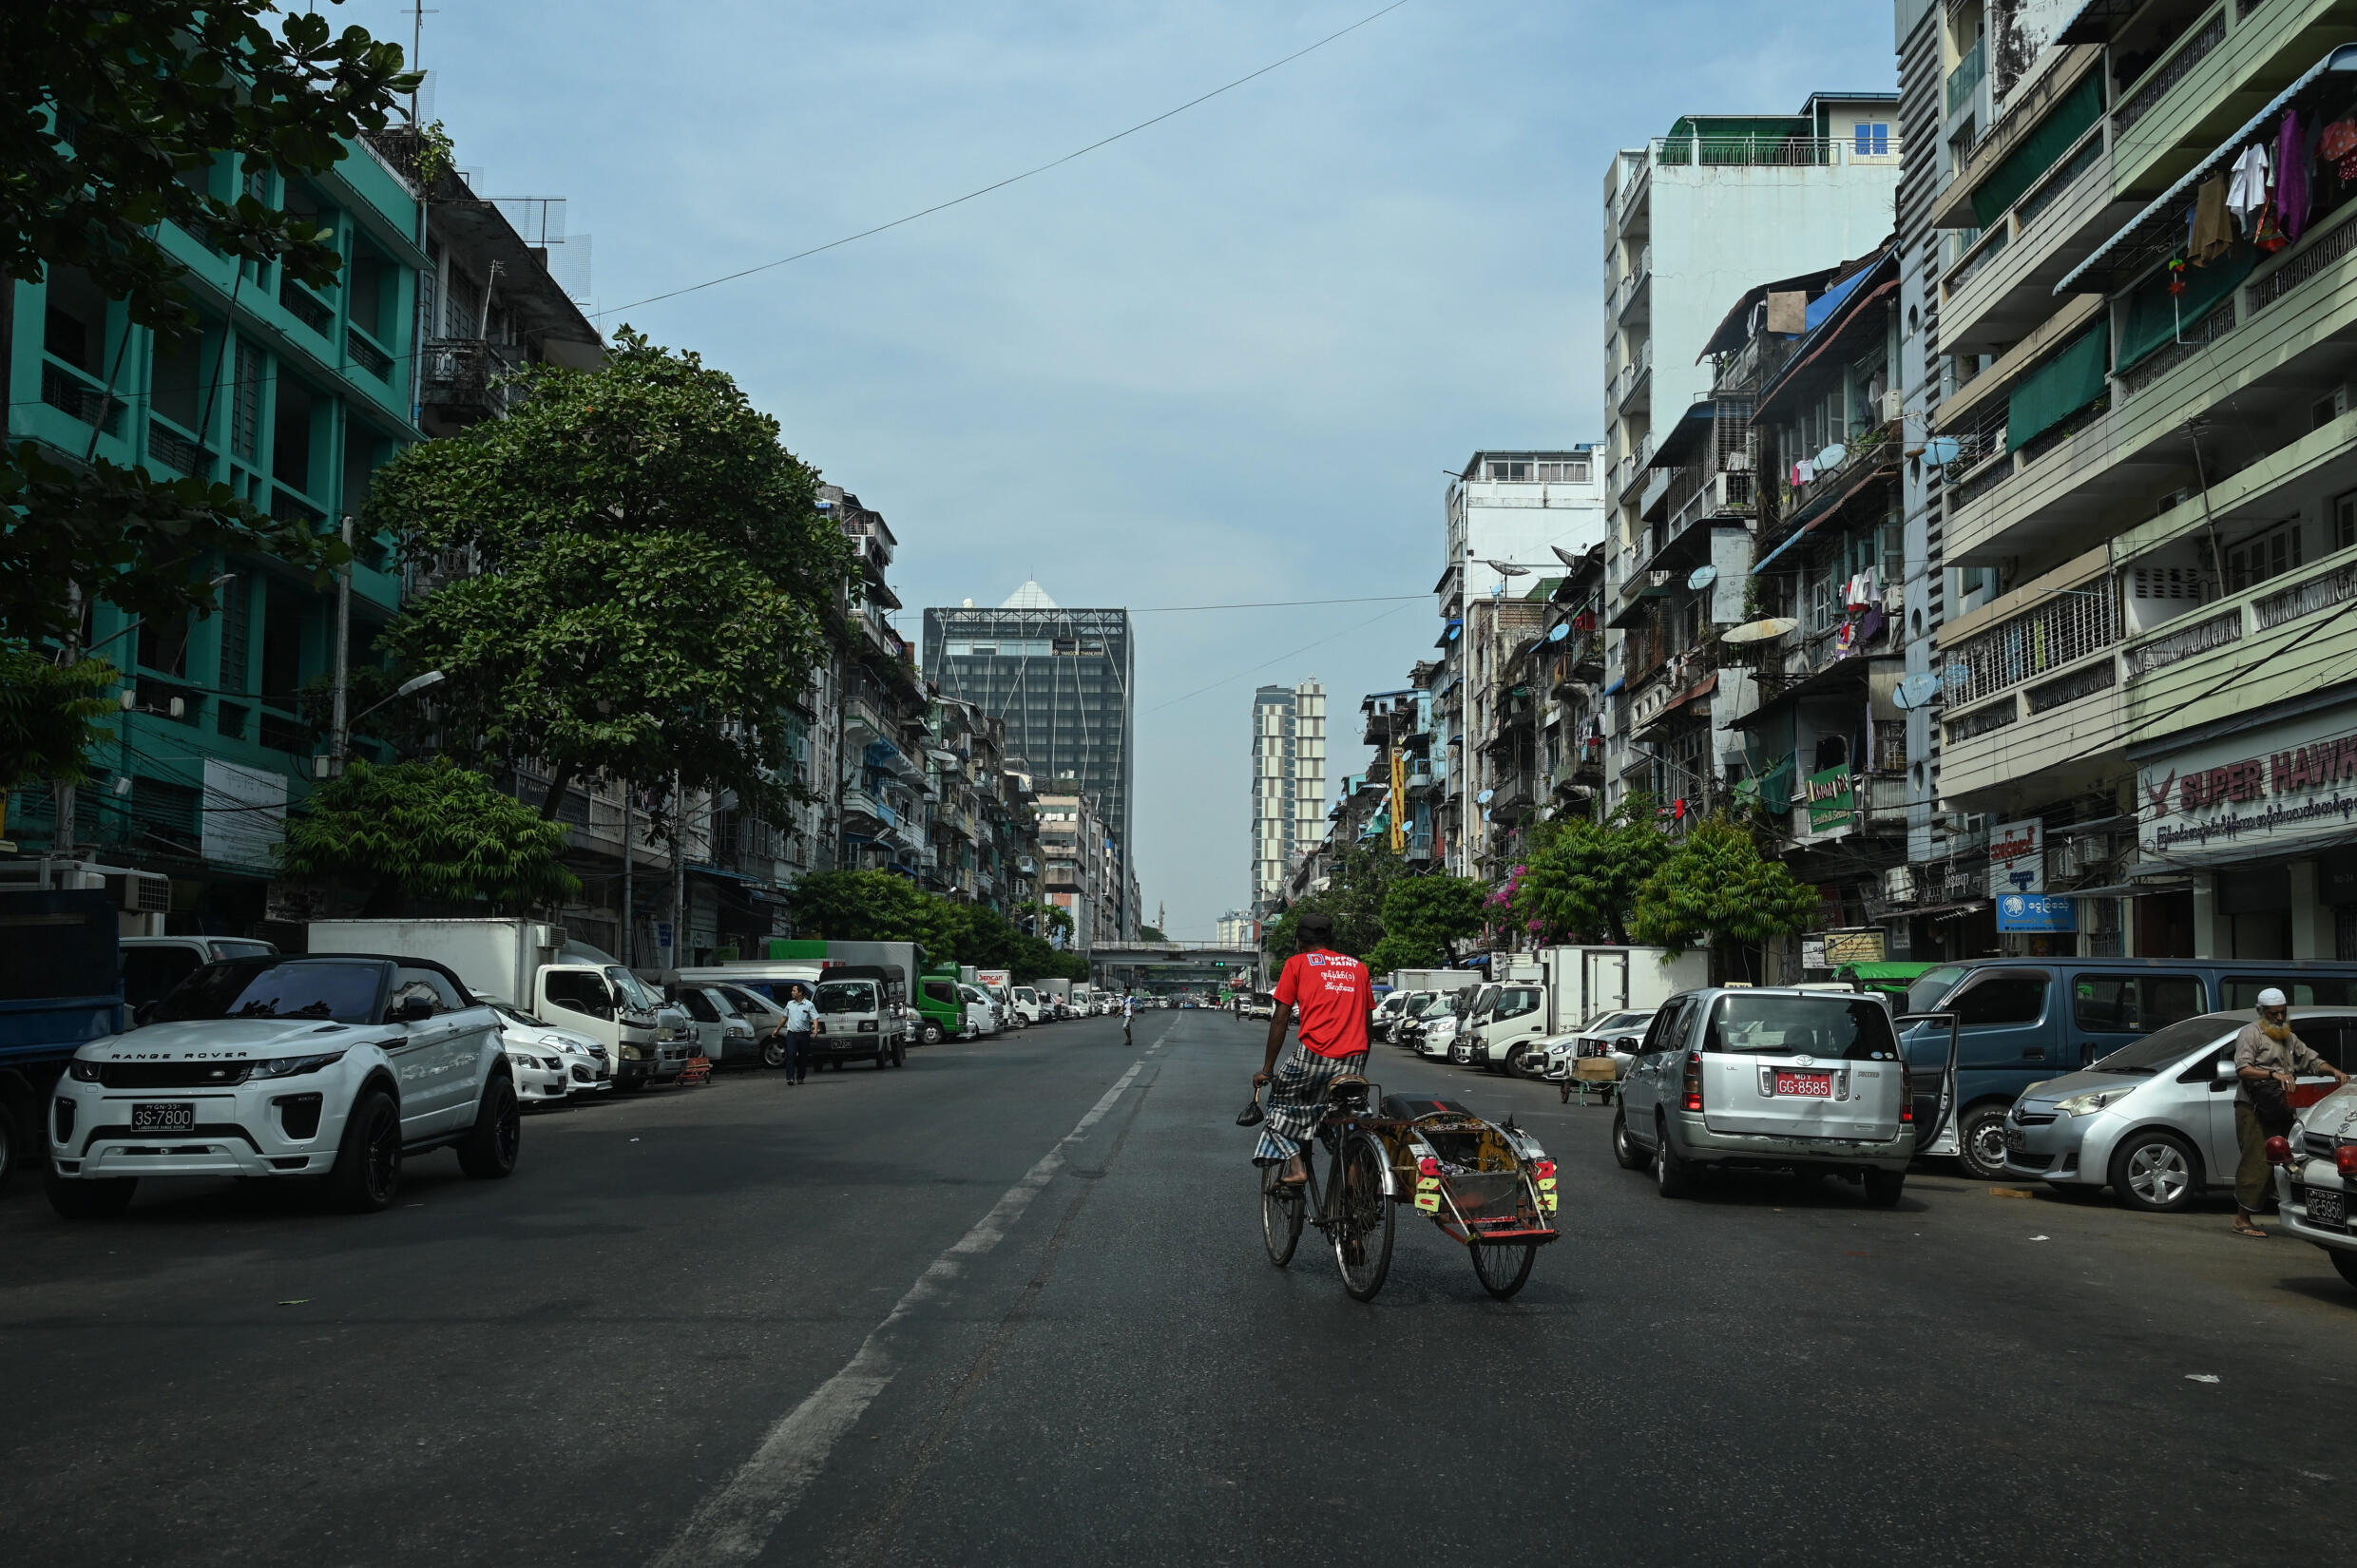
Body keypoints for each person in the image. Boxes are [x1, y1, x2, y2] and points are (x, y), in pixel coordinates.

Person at [1250, 913, 1374, 1184]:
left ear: (1299, 942)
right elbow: (1368, 1023)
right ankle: (1355, 1182)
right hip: (1353, 1059)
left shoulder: (1297, 964)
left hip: (1313, 1056)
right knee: (1346, 1118)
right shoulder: (1358, 967)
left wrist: (1268, 1070)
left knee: (1280, 1107)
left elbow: (1281, 1018)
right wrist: (1358, 1064)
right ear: (1330, 939)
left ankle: (1297, 1168)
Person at [2232, 987, 2348, 1236]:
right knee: (2258, 1159)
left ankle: (2297, 1212)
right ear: (2261, 1012)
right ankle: (2243, 1219)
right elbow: (2243, 1069)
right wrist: (2273, 1074)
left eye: (2283, 1013)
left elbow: (2312, 1060)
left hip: (2282, 1105)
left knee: (2288, 1158)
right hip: (2253, 1106)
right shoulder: (2250, 1034)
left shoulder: (2287, 1036)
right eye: (2274, 1014)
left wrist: (2334, 1072)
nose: (2279, 1018)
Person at [778, 983, 816, 1087]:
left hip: (804, 1035)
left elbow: (815, 1018)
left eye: (794, 991)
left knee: (803, 1057)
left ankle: (800, 1077)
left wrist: (816, 1029)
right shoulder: (789, 1004)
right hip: (792, 1034)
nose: (792, 992)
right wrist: (777, 1030)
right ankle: (790, 1078)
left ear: (800, 993)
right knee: (791, 1055)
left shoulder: (809, 1005)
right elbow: (784, 1017)